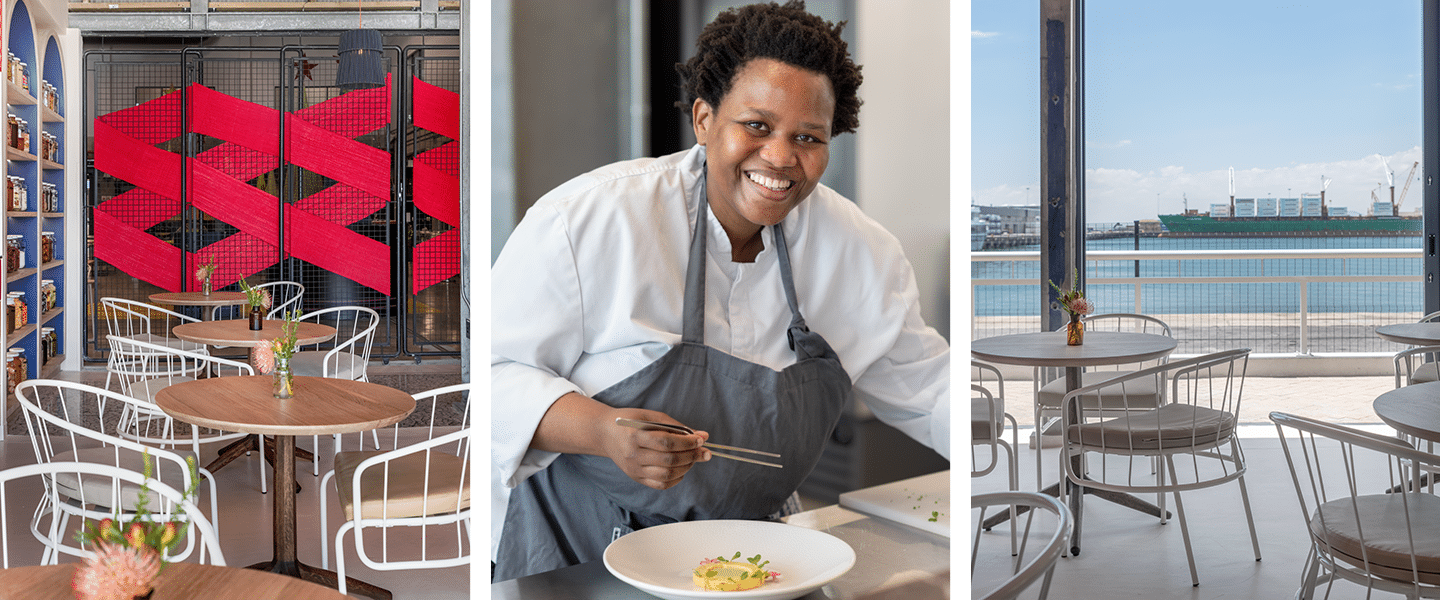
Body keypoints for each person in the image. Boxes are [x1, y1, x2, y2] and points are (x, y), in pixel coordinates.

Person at [491, 0, 950, 581]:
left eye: (808, 137)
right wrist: (603, 433)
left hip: (751, 557)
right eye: (756, 126)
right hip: (574, 549)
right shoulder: (590, 219)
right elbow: (493, 377)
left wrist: (1012, 454)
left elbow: (928, 386)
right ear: (705, 119)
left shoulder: (860, 252)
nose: (781, 158)